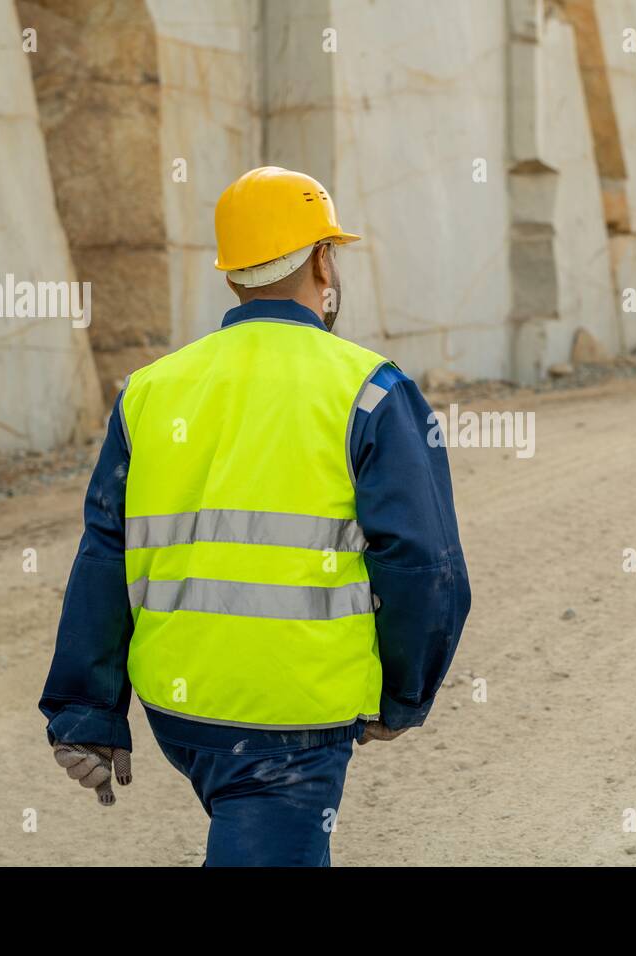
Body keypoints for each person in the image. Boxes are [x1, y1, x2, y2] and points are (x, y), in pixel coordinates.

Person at [39, 166, 470, 866]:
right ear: (323, 260)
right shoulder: (370, 390)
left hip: (179, 715)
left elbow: (106, 548)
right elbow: (423, 561)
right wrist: (403, 693)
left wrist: (87, 708)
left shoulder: (150, 391)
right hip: (292, 720)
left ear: (233, 275)